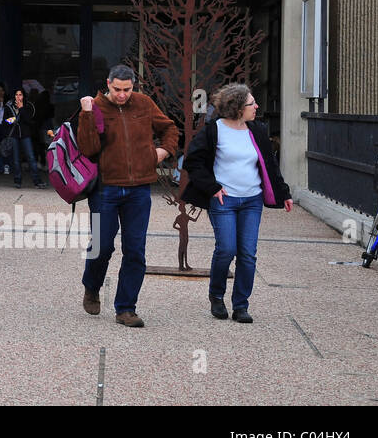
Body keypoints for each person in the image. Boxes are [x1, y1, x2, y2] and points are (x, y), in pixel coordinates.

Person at [76, 64, 179, 327]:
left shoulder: (144, 104)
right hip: (105, 189)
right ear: (108, 84)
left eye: (127, 89)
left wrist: (163, 152)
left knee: (135, 250)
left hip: (139, 190)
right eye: (117, 89)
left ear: (133, 86)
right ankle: (92, 286)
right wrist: (87, 114)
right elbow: (87, 149)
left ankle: (126, 308)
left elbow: (170, 129)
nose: (122, 95)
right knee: (101, 246)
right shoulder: (94, 107)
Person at [182, 83, 292, 323]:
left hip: (252, 200)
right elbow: (193, 162)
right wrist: (212, 188)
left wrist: (284, 193)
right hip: (224, 200)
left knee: (247, 254)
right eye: (252, 103)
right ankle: (217, 296)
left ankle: (241, 305)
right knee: (226, 249)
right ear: (237, 107)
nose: (257, 107)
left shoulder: (257, 130)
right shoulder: (214, 130)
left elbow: (269, 165)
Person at [5, 87, 42, 188]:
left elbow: (29, 120)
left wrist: (21, 108)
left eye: (20, 95)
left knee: (31, 158)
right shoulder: (9, 106)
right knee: (16, 159)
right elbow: (5, 121)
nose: (18, 97)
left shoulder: (28, 105)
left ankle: (37, 181)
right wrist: (14, 118)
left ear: (23, 96)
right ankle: (17, 181)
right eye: (16, 95)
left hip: (25, 135)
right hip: (14, 135)